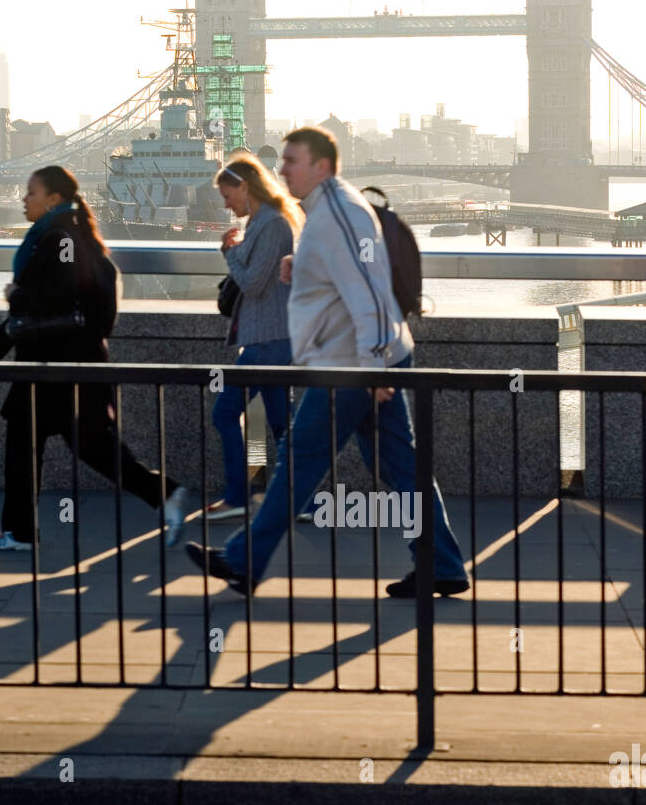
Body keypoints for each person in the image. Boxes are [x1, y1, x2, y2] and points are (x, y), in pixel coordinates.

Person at [185, 125, 469, 598]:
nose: (280, 169)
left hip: (352, 364)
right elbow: (349, 278)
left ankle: (243, 560)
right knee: (401, 466)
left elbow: (371, 293)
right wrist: (305, 268)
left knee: (297, 461)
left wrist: (373, 367)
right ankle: (442, 565)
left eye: (291, 160)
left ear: (321, 166)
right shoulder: (328, 209)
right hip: (365, 358)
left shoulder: (337, 213)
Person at [0, 165, 190, 551]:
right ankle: (20, 533)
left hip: (58, 364)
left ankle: (163, 492)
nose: (25, 198)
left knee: (82, 446)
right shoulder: (71, 234)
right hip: (65, 360)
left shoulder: (60, 238)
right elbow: (56, 305)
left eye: (31, 192)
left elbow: (53, 299)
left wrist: (14, 294)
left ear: (53, 198)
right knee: (50, 443)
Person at [205, 153, 303, 526]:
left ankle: (238, 496)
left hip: (269, 340)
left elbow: (253, 284)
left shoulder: (273, 225)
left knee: (226, 413)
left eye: (229, 196)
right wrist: (234, 249)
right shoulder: (263, 223)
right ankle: (303, 500)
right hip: (272, 337)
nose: (227, 205)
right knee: (281, 423)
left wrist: (230, 254)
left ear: (246, 186)